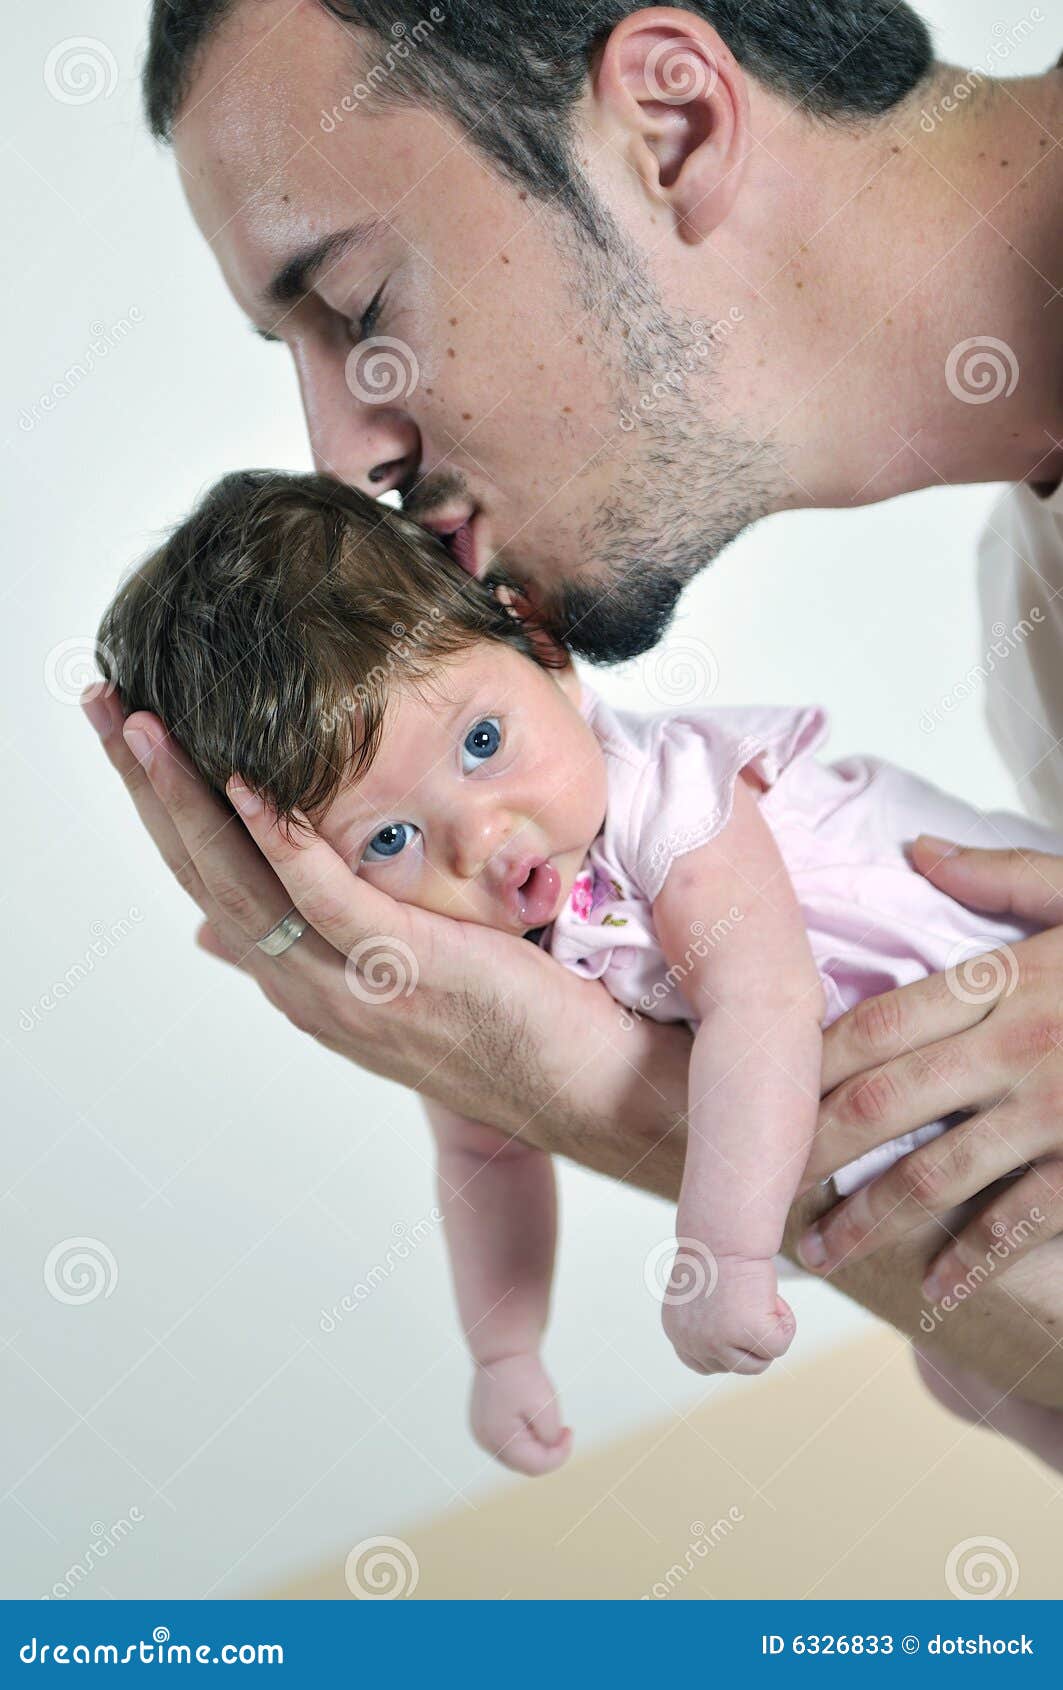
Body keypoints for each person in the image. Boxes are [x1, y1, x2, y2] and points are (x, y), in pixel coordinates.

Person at [82, 2, 1063, 1459]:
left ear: (670, 122)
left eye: (354, 304)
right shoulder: (1035, 625)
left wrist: (596, 1095)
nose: (342, 456)